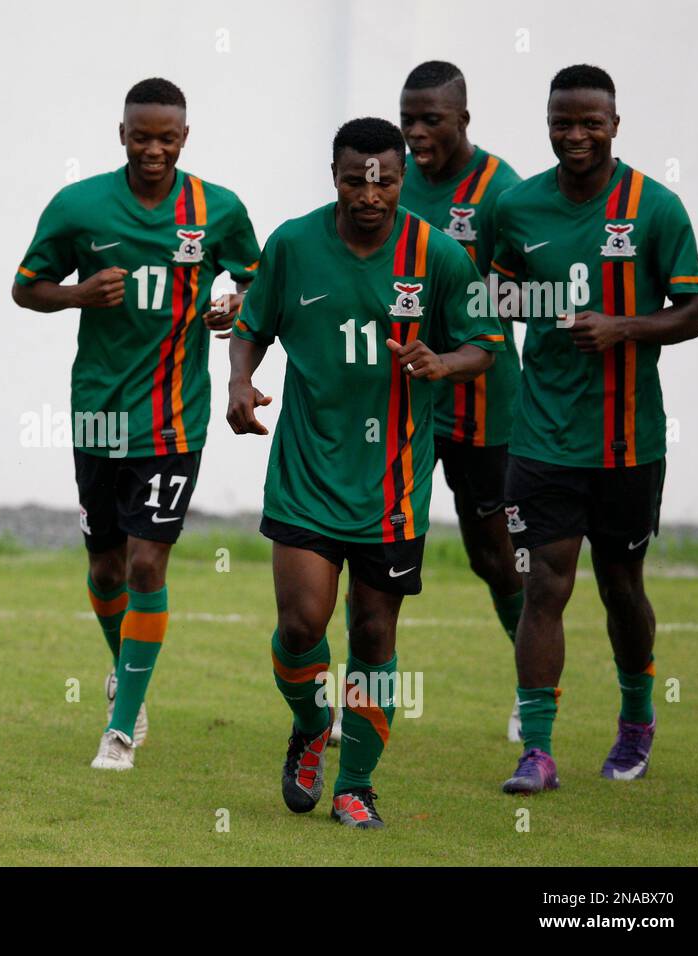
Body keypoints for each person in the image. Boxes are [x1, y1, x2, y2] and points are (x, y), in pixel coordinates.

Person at [228, 118, 502, 828]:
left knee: (374, 636)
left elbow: (485, 342)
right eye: (355, 179)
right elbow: (253, 321)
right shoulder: (292, 244)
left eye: (383, 179)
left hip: (392, 487)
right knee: (299, 625)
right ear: (335, 176)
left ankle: (356, 788)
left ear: (402, 179)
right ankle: (310, 724)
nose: (370, 194)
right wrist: (239, 381)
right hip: (306, 471)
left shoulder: (438, 256)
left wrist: (442, 362)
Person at [12, 78, 260, 771]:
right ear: (121, 134)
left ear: (185, 137)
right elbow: (25, 286)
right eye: (141, 136)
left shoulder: (218, 209)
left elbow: (254, 281)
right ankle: (129, 667)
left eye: (167, 137)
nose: (154, 149)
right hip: (100, 412)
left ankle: (120, 728)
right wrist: (76, 295)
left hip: (176, 417)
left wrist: (229, 306)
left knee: (149, 560)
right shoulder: (80, 206)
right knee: (105, 565)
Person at [492, 65, 698, 794]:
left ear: (615, 123)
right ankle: (539, 750)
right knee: (543, 586)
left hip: (627, 442)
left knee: (621, 585)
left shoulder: (657, 207)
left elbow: (694, 313)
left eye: (590, 122)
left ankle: (637, 719)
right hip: (542, 436)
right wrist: (537, 302)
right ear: (547, 122)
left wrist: (626, 327)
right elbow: (488, 291)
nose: (575, 135)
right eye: (563, 121)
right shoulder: (516, 207)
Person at [398, 61, 527, 740]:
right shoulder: (386, 179)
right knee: (374, 542)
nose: (416, 134)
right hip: (403, 398)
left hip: (484, 399)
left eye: (431, 120)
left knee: (493, 554)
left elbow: (525, 291)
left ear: (463, 120)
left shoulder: (501, 192)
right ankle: (360, 697)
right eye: (408, 119)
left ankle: (534, 679)